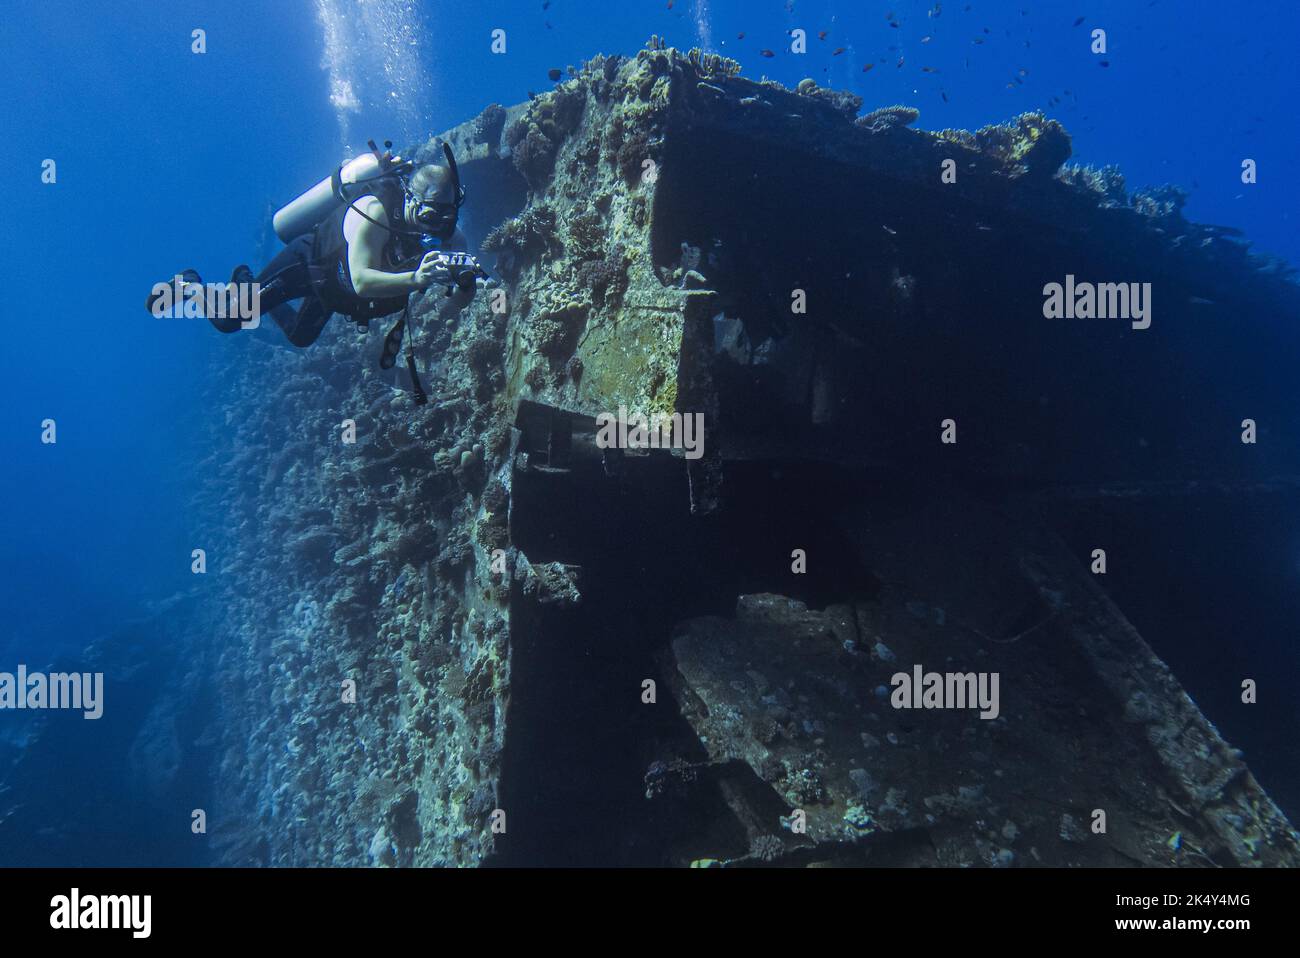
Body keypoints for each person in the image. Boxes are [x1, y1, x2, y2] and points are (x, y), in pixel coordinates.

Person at [151, 153, 479, 348]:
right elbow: (363, 281)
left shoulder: (452, 238)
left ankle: (245, 281)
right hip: (309, 265)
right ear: (411, 198)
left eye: (447, 217)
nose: (435, 227)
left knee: (300, 337)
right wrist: (418, 277)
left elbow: (451, 309)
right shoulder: (374, 211)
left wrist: (464, 285)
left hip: (335, 291)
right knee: (230, 320)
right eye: (430, 215)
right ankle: (191, 284)